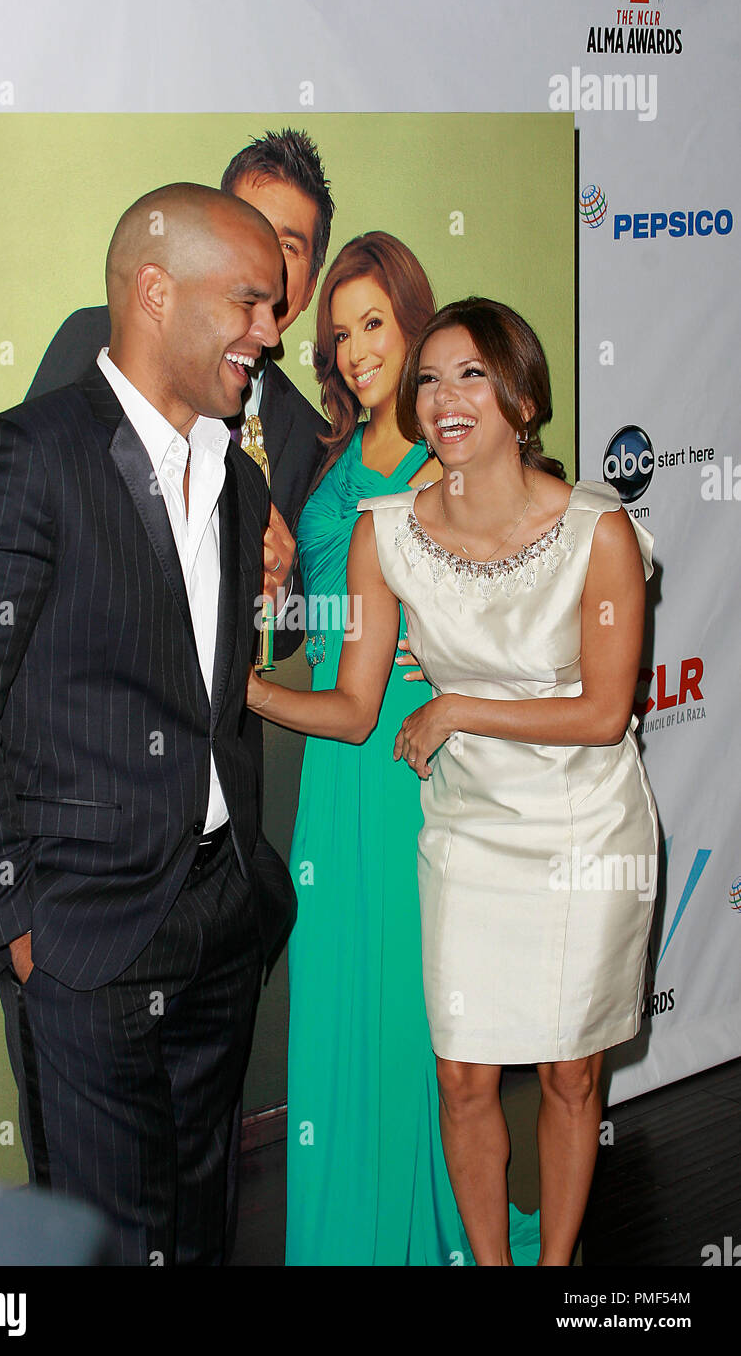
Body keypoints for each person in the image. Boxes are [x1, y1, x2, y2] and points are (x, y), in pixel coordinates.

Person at [0, 183, 297, 1266]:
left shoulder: (233, 473)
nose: (273, 330)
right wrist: (12, 925)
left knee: (204, 1220)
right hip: (82, 943)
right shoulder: (22, 456)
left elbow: (217, 675)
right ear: (156, 293)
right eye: (252, 302)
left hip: (220, 915)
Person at [248, 296, 656, 1266]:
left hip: (582, 829)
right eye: (429, 379)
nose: (442, 397)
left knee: (568, 1074)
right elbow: (352, 709)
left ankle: (555, 1268)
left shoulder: (596, 530)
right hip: (465, 837)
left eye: (469, 374)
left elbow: (603, 714)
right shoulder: (384, 532)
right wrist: (245, 690)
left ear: (518, 395)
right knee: (463, 1078)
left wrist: (459, 706)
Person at [277, 237, 538, 1265]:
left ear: (415, 323)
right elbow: (318, 615)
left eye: (372, 323)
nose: (350, 350)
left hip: (405, 765)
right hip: (332, 776)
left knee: (407, 1016)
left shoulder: (449, 459)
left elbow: (521, 612)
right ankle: (347, 1233)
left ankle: (412, 1233)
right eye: (337, 333)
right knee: (339, 1001)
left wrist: (457, 680)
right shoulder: (330, 462)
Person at [26, 128, 334, 632]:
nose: (268, 260)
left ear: (307, 288)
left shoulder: (312, 440)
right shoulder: (91, 341)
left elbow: (292, 640)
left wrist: (280, 594)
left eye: (288, 245)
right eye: (249, 229)